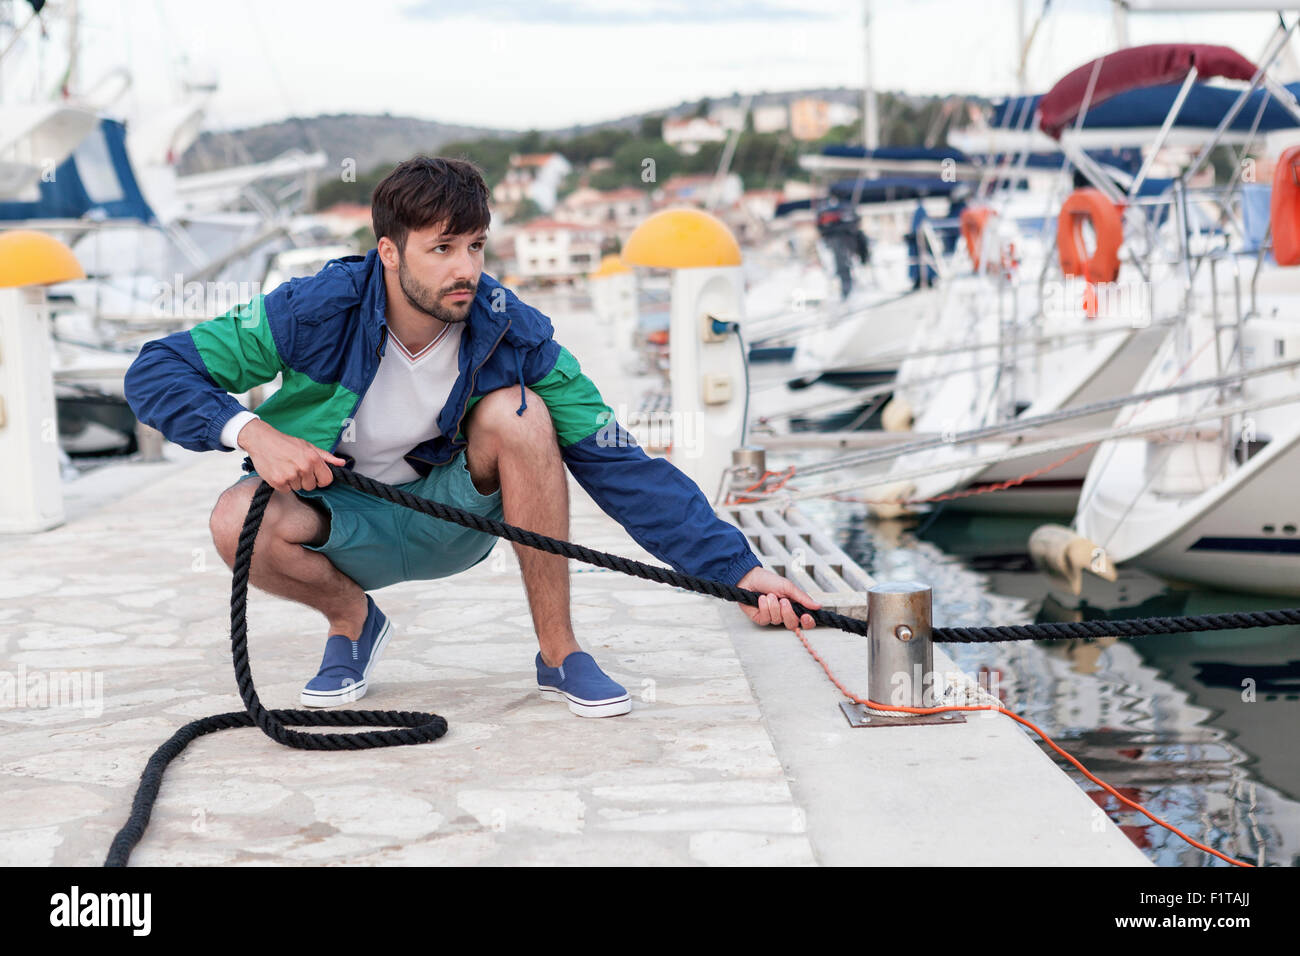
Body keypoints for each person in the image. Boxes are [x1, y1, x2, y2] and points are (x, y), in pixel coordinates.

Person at [124, 156, 820, 719]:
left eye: (477, 245)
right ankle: (351, 622)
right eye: (443, 248)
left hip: (451, 519)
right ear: (389, 252)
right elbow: (158, 370)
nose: (467, 268)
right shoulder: (313, 310)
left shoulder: (511, 329)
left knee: (521, 416)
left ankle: (559, 652)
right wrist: (252, 432)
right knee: (230, 516)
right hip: (338, 516)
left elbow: (617, 459)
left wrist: (737, 569)